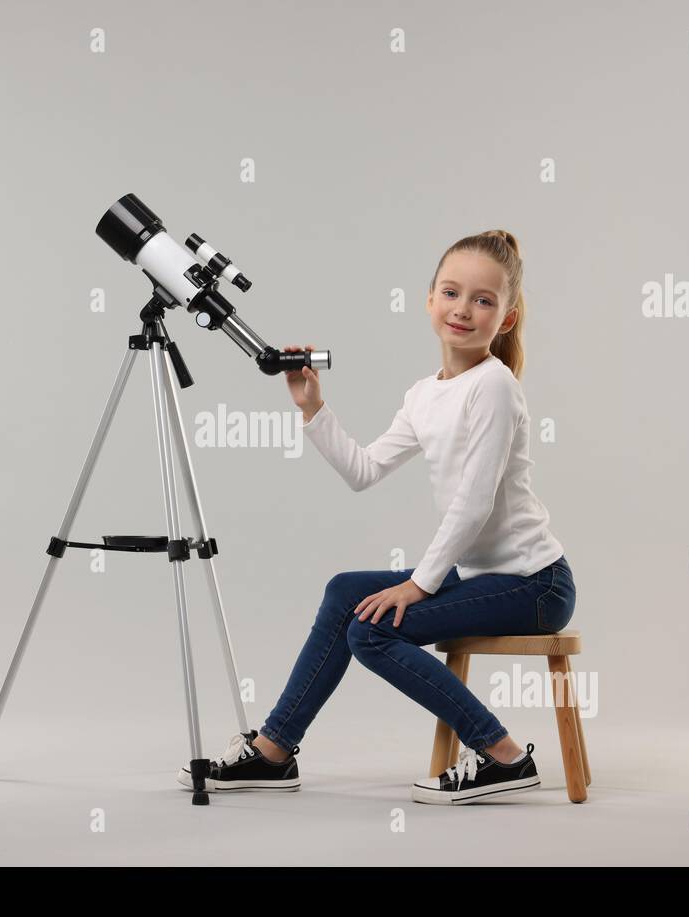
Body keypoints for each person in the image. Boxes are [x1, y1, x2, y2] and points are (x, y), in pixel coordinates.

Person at [179, 229, 576, 805]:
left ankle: (504, 755)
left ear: (507, 319)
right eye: (451, 292)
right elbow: (364, 469)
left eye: (484, 300)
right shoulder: (424, 393)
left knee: (369, 631)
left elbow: (474, 505)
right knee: (346, 592)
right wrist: (313, 407)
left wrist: (418, 585)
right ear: (429, 300)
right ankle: (273, 751)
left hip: (535, 585)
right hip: (481, 579)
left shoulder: (493, 387)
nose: (463, 309)